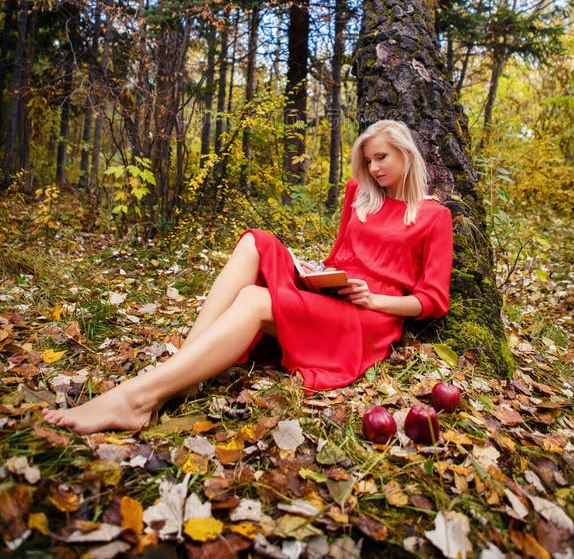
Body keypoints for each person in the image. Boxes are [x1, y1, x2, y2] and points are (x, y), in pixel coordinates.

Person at [42, 120, 454, 434]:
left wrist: (375, 301)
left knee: (254, 300)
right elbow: (340, 256)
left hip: (369, 320)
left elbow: (433, 300)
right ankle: (186, 368)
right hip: (337, 294)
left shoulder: (434, 217)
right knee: (256, 241)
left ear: (406, 155)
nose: (373, 167)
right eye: (367, 160)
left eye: (381, 157)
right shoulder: (358, 194)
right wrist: (316, 274)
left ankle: (136, 399)